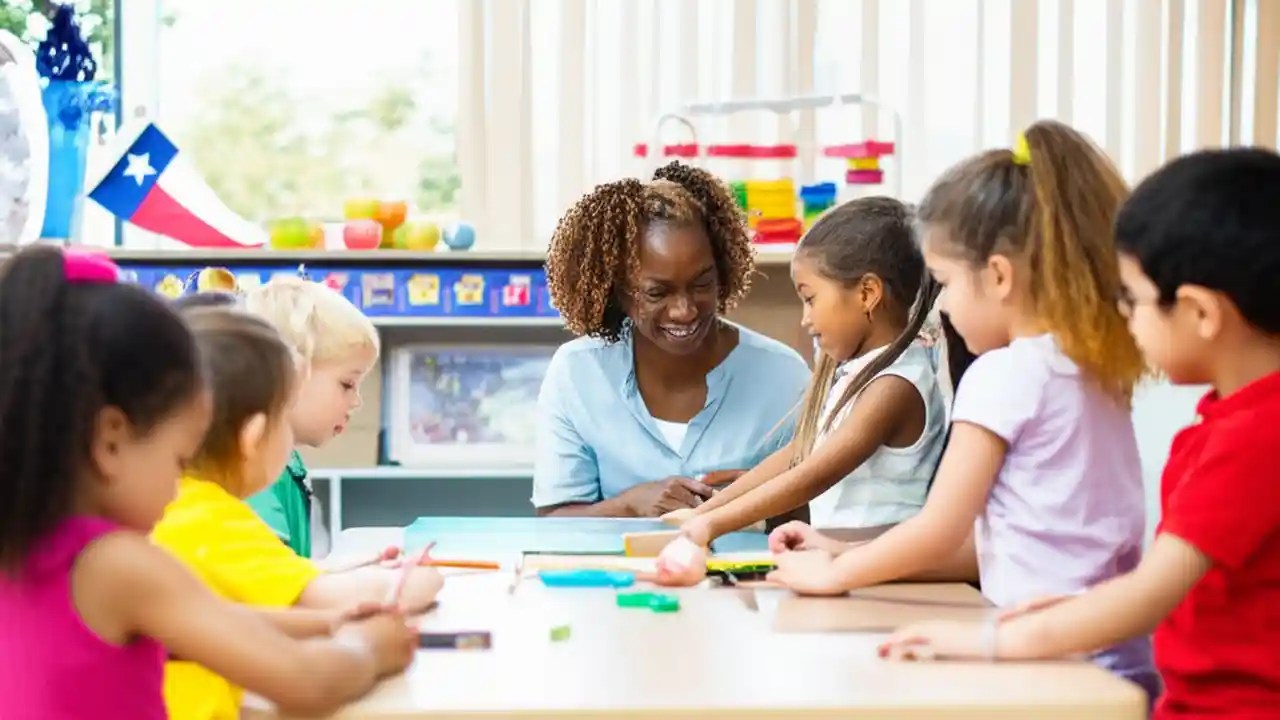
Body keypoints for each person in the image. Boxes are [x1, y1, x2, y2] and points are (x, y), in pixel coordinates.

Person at [763, 121, 1160, 701]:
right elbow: (999, 539)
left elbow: (940, 527)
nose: (943, 305)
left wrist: (832, 576)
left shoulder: (1004, 375)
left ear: (998, 276)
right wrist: (846, 550)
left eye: (945, 282)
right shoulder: (1097, 367)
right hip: (1113, 652)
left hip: (1044, 663)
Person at [879, 147, 1280, 719]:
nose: (1124, 315)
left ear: (1199, 312)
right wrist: (1062, 614)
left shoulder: (1253, 436)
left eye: (1133, 299)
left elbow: (1149, 596)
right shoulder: (1234, 418)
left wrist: (994, 642)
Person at [0, 247, 416, 720]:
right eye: (177, 458)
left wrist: (327, 622)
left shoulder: (30, 550)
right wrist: (369, 645)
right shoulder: (113, 563)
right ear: (111, 441)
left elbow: (204, 622)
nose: (179, 487)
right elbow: (307, 683)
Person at [151, 306, 442, 720]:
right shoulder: (206, 516)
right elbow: (313, 673)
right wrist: (402, 600)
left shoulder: (153, 518)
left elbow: (226, 618)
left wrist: (332, 619)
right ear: (252, 437)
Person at [657, 197, 950, 568]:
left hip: (879, 570)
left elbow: (813, 475)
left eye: (810, 299)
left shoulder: (895, 385)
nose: (805, 320)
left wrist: (712, 525)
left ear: (867, 294)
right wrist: (707, 510)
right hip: (847, 566)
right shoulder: (860, 373)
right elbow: (799, 453)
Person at [534, 160, 811, 518]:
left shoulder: (784, 376)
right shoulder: (578, 372)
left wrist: (758, 501)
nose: (684, 310)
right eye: (657, 293)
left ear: (723, 272)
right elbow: (555, 520)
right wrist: (630, 505)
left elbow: (821, 514)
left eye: (701, 284)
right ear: (618, 290)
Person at [242, 275, 380, 559]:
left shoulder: (283, 460)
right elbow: (276, 588)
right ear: (288, 375)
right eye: (347, 384)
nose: (356, 402)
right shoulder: (254, 474)